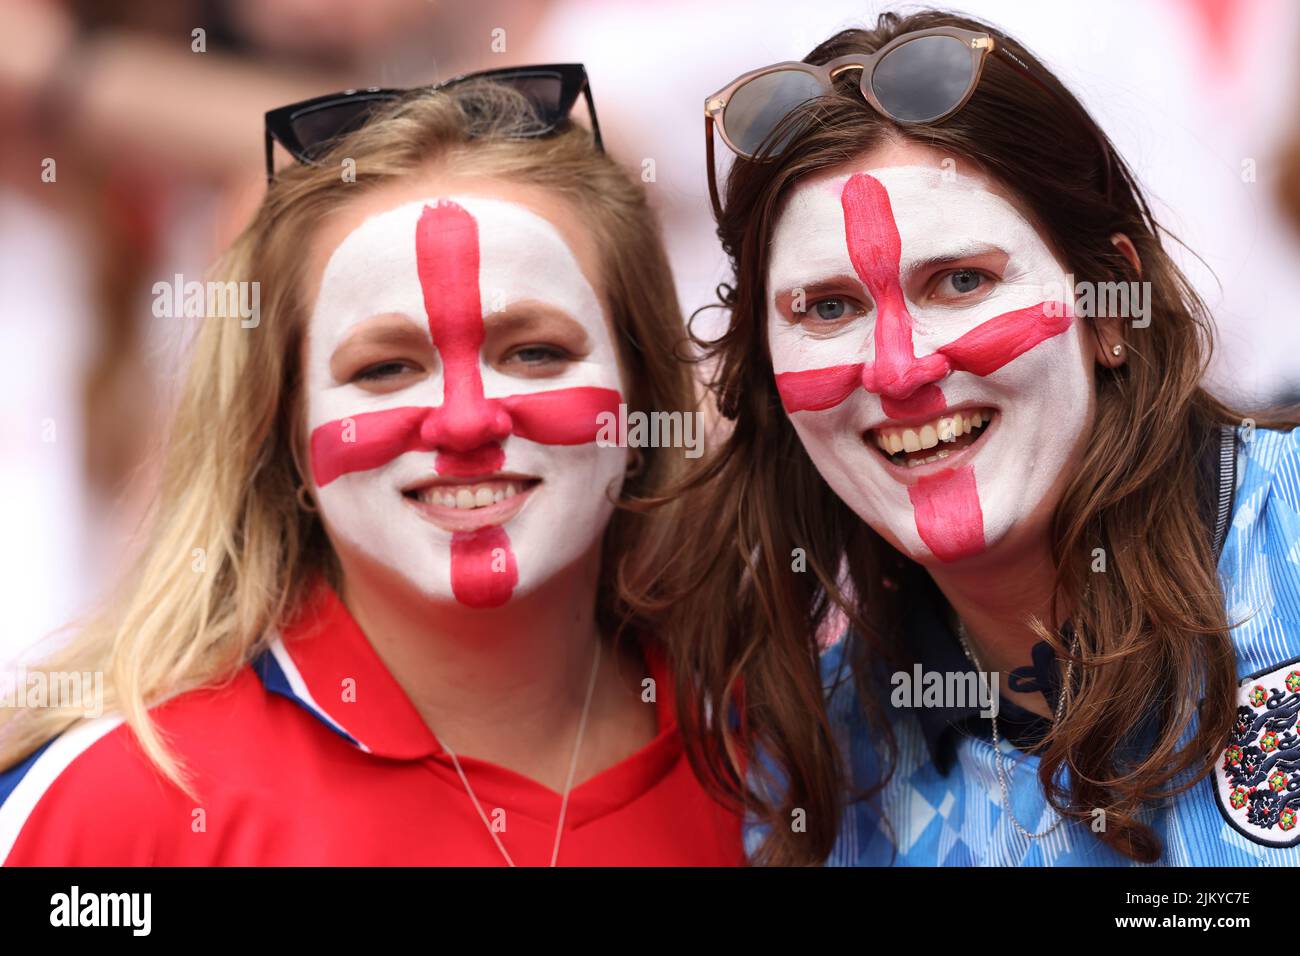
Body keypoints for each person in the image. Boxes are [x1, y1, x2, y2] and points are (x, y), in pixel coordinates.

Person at [0, 69, 743, 866]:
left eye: (536, 352)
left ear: (641, 393)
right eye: (385, 368)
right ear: (282, 425)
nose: (466, 420)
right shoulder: (122, 803)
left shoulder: (783, 751)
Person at [651, 9, 1300, 865]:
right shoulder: (820, 762)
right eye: (830, 308)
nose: (898, 369)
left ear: (1110, 307)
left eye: (962, 280)